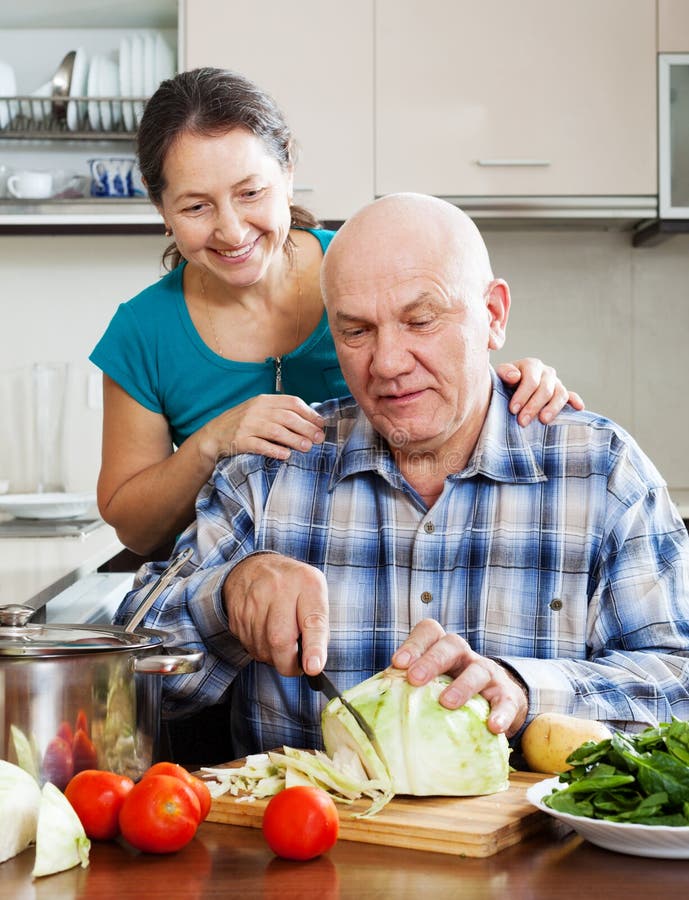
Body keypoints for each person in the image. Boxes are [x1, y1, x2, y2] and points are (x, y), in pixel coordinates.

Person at [113, 192, 689, 759]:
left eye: (421, 321)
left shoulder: (601, 470)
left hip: (529, 826)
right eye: (356, 331)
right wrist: (225, 597)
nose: (387, 363)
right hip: (306, 824)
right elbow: (126, 680)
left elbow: (678, 683)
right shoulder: (268, 471)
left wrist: (525, 689)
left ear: (493, 315)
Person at [90, 67, 582, 557]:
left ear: (287, 172)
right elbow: (136, 531)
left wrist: (514, 385)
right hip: (228, 583)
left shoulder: (364, 269)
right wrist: (211, 442)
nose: (233, 231)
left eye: (250, 193)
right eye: (196, 207)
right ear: (161, 206)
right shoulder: (142, 333)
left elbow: (456, 380)